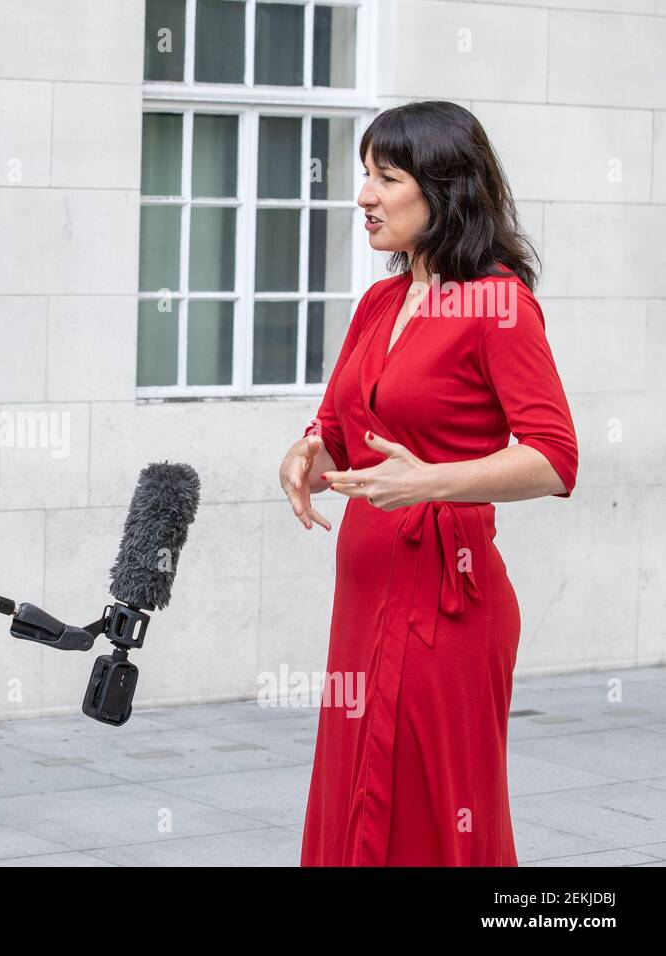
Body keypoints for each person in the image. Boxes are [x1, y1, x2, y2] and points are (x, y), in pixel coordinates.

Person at [277, 102, 578, 866]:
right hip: (367, 584)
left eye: (386, 177)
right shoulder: (380, 301)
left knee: (432, 803)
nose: (364, 196)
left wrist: (433, 483)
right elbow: (347, 418)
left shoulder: (498, 305)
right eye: (364, 175)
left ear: (444, 190)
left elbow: (554, 456)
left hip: (448, 595)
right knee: (356, 785)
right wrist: (310, 447)